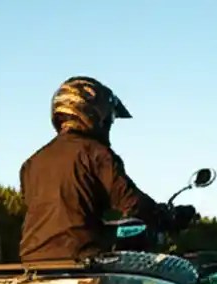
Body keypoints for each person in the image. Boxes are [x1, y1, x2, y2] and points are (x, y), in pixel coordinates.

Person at [18, 76, 198, 263]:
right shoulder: (96, 153)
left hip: (33, 264)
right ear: (96, 115)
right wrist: (168, 216)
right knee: (178, 271)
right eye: (109, 118)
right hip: (82, 261)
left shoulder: (31, 163)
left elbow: (62, 211)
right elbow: (132, 203)